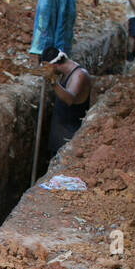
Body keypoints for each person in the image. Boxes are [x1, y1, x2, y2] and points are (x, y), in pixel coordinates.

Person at [36, 47, 91, 175]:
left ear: (54, 65)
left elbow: (69, 99)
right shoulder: (67, 73)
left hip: (69, 134)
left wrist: (53, 82)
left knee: (59, 171)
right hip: (59, 132)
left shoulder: (79, 75)